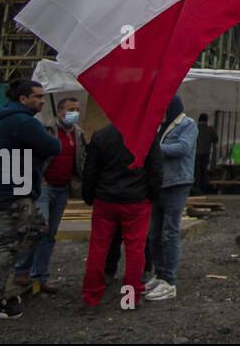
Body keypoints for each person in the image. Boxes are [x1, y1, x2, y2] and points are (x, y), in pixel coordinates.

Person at [0, 78, 62, 319]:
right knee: (10, 242)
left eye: (44, 97)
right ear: (23, 99)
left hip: (13, 189)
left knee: (37, 229)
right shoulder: (23, 121)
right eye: (38, 97)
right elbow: (54, 147)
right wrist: (50, 138)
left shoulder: (9, 119)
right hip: (14, 191)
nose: (42, 101)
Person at [81, 115, 162, 312]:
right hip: (136, 200)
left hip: (106, 199)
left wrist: (89, 196)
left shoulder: (100, 136)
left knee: (98, 248)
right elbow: (156, 172)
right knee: (135, 249)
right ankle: (130, 298)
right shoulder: (146, 136)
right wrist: (151, 196)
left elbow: (90, 171)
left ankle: (91, 296)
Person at [12, 96, 87, 294]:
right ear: (60, 111)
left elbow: (80, 159)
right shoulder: (47, 130)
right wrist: (39, 178)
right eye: (71, 109)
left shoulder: (78, 134)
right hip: (44, 186)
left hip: (63, 188)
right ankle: (22, 270)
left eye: (77, 109)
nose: (74, 113)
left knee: (50, 234)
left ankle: (40, 275)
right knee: (38, 227)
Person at [144, 96, 196, 302]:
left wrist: (152, 148)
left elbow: (182, 148)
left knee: (170, 232)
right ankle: (158, 272)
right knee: (154, 234)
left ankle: (169, 280)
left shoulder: (187, 125)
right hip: (159, 183)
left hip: (177, 183)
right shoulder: (160, 126)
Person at [194, 113, 219, 194]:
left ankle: (197, 189)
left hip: (196, 153)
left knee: (196, 171)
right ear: (206, 120)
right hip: (206, 153)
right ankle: (204, 189)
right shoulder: (210, 129)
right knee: (204, 171)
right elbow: (215, 140)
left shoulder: (195, 128)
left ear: (199, 119)